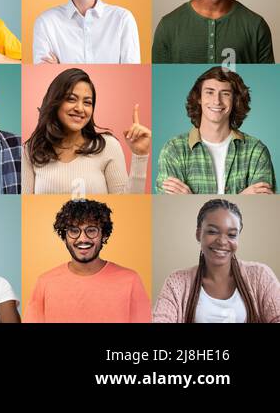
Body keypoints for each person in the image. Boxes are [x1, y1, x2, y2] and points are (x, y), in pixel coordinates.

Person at [23, 68, 151, 194]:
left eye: (87, 102)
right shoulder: (30, 150)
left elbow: (126, 206)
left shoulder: (108, 146)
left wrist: (140, 155)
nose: (80, 108)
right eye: (71, 99)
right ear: (55, 102)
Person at [24, 198, 151, 323]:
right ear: (64, 237)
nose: (83, 239)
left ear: (104, 235)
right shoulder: (45, 283)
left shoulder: (131, 281)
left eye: (91, 230)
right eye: (74, 231)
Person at [153, 199, 280, 323]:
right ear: (198, 234)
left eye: (231, 235)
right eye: (213, 232)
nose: (222, 241)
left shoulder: (260, 276)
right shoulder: (176, 283)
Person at [156, 66, 274, 195]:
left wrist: (190, 200)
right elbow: (172, 209)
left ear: (235, 100)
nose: (217, 101)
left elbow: (260, 208)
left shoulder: (256, 151)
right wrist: (241, 198)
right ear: (199, 98)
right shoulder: (174, 150)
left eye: (225, 94)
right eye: (209, 92)